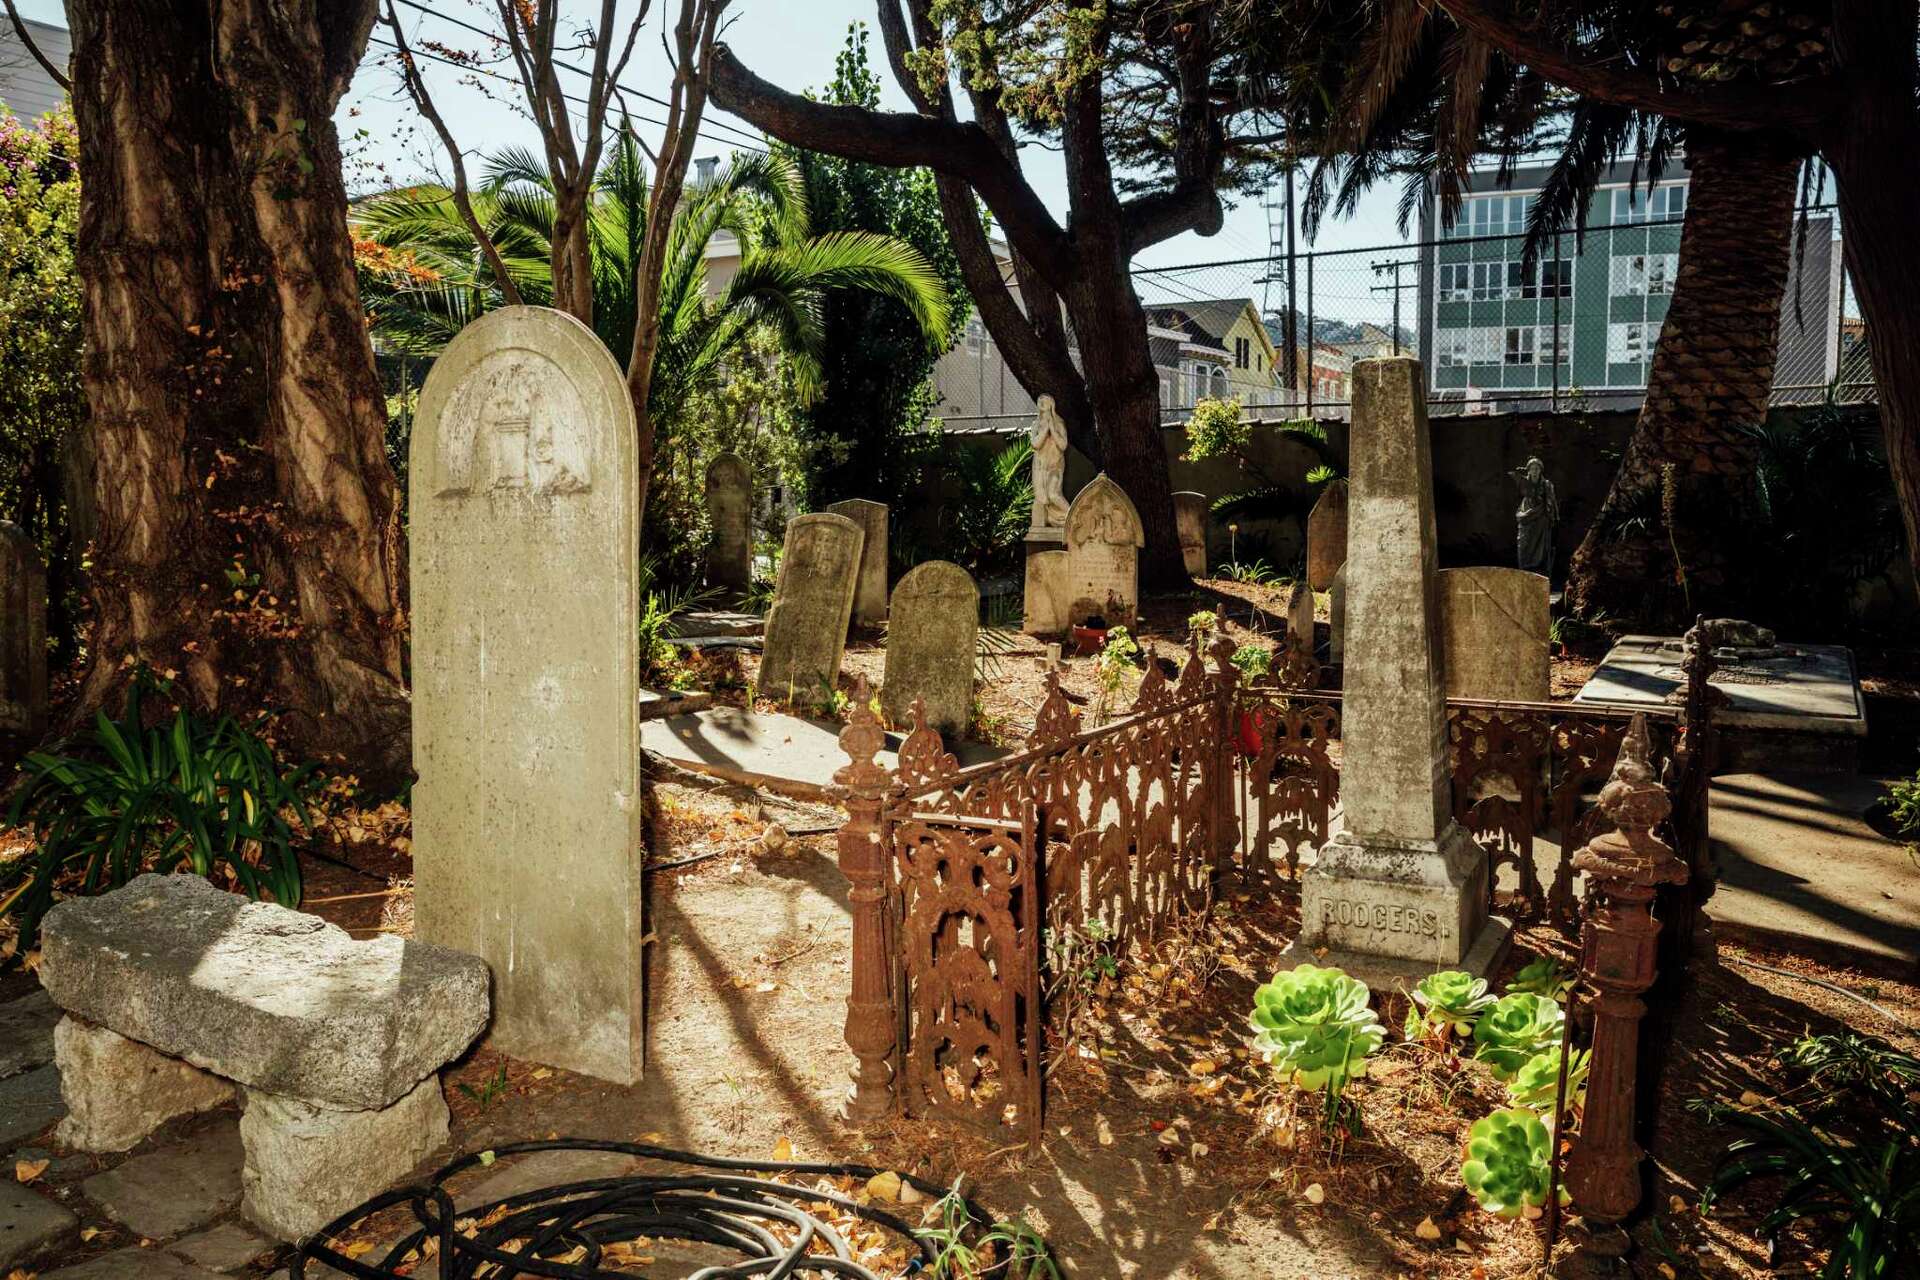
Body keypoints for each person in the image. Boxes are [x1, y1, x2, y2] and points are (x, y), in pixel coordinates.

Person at [1512, 456, 1558, 576]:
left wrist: (1553, 516)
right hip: (1526, 514)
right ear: (1528, 470)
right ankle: (1525, 569)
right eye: (1532, 468)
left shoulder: (1546, 485)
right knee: (1523, 543)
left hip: (1541, 518)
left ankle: (1540, 571)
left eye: (1537, 468)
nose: (1534, 471)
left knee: (1542, 547)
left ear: (1540, 470)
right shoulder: (1524, 483)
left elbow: (1552, 501)